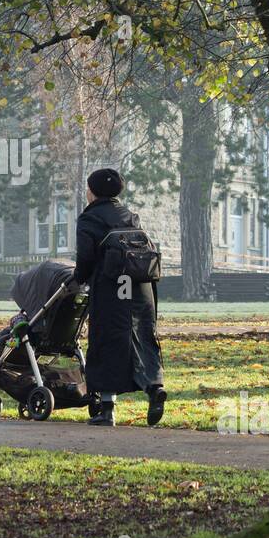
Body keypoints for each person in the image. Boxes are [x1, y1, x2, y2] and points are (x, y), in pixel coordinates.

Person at [74, 167, 167, 428]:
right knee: (143, 336)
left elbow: (85, 258)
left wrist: (79, 277)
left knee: (107, 340)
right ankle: (154, 386)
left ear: (93, 192)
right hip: (140, 287)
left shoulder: (89, 219)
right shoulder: (130, 216)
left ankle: (107, 409)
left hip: (111, 288)